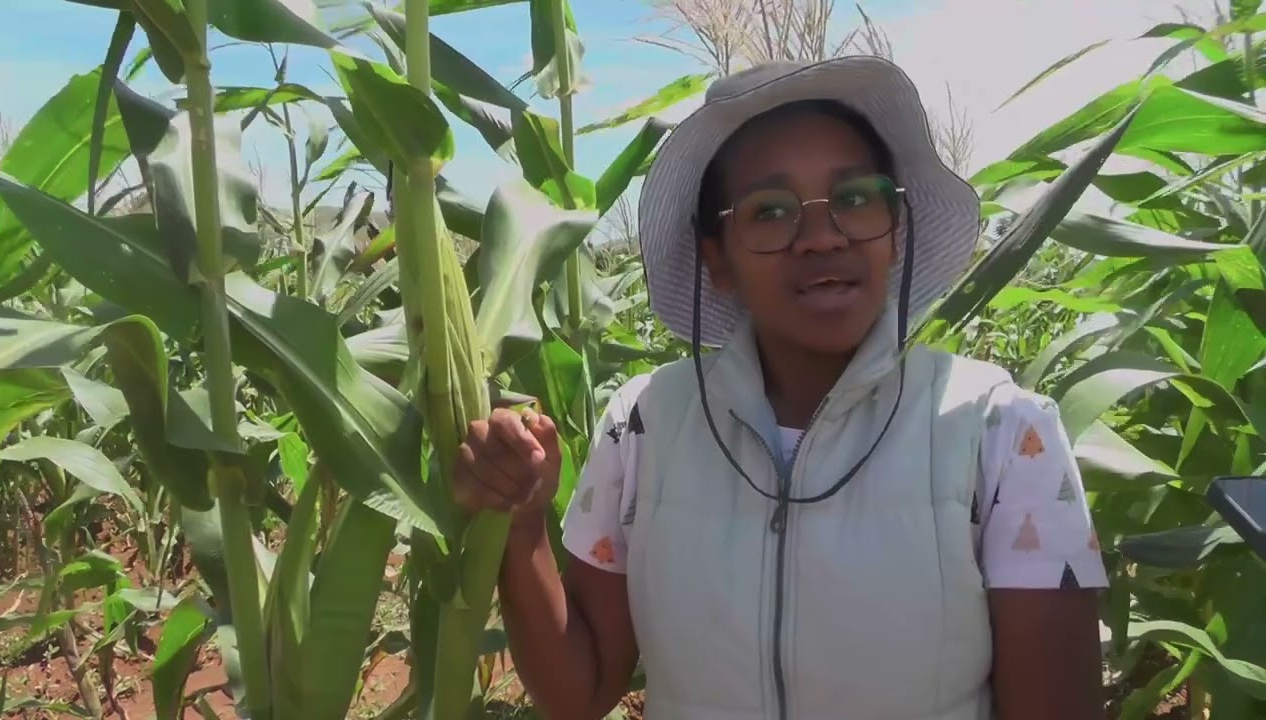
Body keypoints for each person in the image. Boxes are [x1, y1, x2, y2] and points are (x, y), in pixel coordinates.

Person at [453, 56, 1108, 720]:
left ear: (896, 229)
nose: (822, 237)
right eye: (770, 211)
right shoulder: (644, 425)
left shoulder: (1001, 432)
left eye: (854, 199)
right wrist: (522, 521)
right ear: (718, 257)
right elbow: (580, 692)